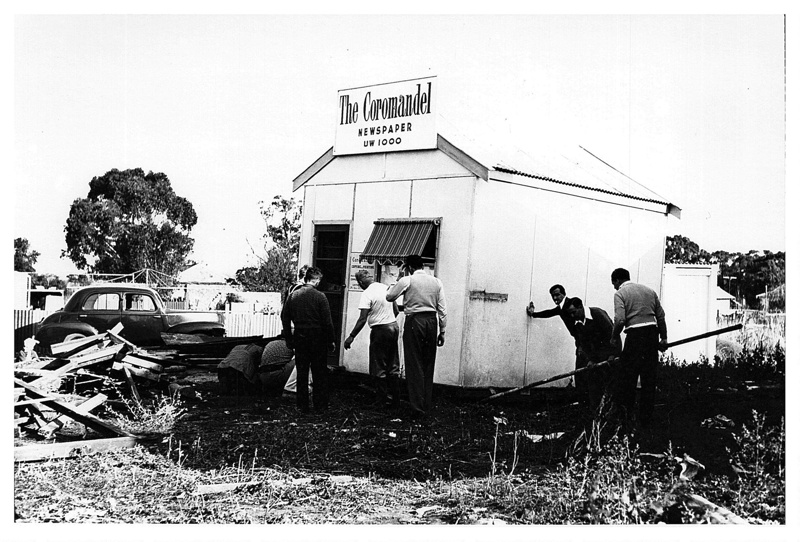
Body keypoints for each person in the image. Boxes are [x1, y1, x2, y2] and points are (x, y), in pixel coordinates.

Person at [386, 255, 447, 418]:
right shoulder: (437, 282)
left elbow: (389, 296)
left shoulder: (407, 280)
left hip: (415, 321)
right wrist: (442, 331)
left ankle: (417, 408)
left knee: (414, 364)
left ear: (410, 267)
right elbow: (442, 310)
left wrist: (398, 279)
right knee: (428, 363)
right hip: (431, 322)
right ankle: (426, 404)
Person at [610, 267, 669, 429]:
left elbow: (620, 320)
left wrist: (614, 337)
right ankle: (646, 421)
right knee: (649, 380)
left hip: (635, 337)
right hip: (652, 335)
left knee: (627, 379)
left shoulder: (620, 294)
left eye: (613, 284)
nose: (614, 287)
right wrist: (663, 338)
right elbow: (661, 316)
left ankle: (627, 419)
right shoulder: (649, 291)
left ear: (617, 280)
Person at [280, 266, 336, 414]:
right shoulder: (320, 297)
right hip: (318, 337)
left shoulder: (293, 296)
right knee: (319, 373)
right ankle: (320, 406)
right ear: (317, 281)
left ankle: (302, 405)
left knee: (302, 372)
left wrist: (288, 338)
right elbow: (327, 322)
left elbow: (285, 318)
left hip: (300, 336)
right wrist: (331, 340)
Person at [344, 269, 401, 409]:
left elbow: (362, 318)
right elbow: (396, 310)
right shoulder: (385, 287)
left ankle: (381, 401)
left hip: (380, 330)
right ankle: (396, 400)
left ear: (361, 282)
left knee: (378, 366)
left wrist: (351, 336)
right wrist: (388, 318)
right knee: (393, 365)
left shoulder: (367, 293)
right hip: (393, 327)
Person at [563, 297, 619, 416]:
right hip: (597, 357)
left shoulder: (597, 314)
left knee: (612, 389)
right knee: (593, 387)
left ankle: (613, 418)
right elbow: (585, 344)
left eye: (574, 312)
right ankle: (595, 417)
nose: (572, 316)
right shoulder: (578, 323)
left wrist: (613, 354)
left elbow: (613, 334)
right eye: (570, 314)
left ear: (580, 307)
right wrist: (591, 359)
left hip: (610, 356)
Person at [527, 284, 582, 392]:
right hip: (580, 341)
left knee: (581, 371)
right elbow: (549, 312)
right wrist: (533, 314)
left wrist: (580, 345)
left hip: (584, 341)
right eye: (553, 296)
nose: (555, 298)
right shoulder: (561, 307)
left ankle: (583, 399)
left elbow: (580, 324)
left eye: (557, 295)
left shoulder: (570, 304)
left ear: (564, 294)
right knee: (580, 371)